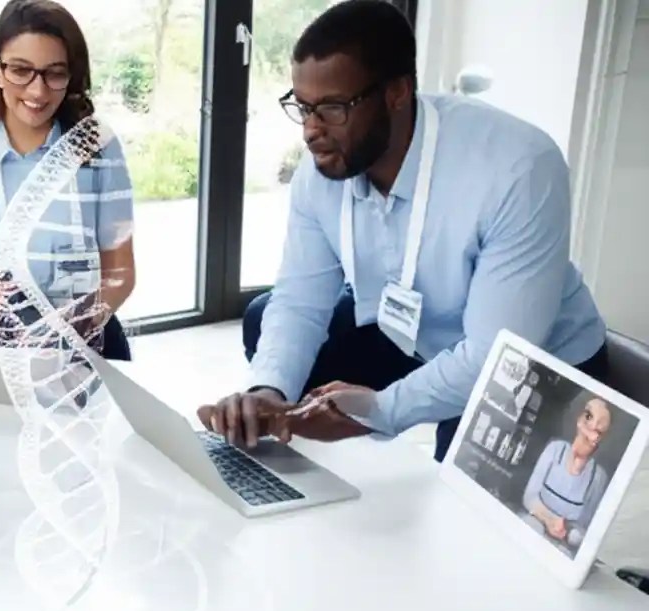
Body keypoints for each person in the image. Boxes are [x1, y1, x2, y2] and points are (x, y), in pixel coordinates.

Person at [197, 0, 608, 461]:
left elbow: (498, 357)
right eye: (303, 106)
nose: (311, 131)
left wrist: (379, 410)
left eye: (332, 108)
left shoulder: (519, 168)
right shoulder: (321, 172)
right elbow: (298, 301)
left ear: (397, 92)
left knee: (459, 507)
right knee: (264, 317)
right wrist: (268, 392)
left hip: (528, 367)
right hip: (417, 334)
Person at [0, 0, 137, 360]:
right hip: (1, 345)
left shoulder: (99, 151)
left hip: (90, 340)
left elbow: (121, 270)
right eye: (21, 70)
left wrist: (84, 320)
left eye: (54, 73)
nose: (37, 91)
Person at [522, 396, 613, 549]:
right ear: (579, 420)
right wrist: (549, 520)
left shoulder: (598, 477)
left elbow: (584, 528)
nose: (591, 430)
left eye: (599, 430)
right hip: (534, 524)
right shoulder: (555, 449)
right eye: (588, 418)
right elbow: (529, 497)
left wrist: (568, 531)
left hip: (562, 544)